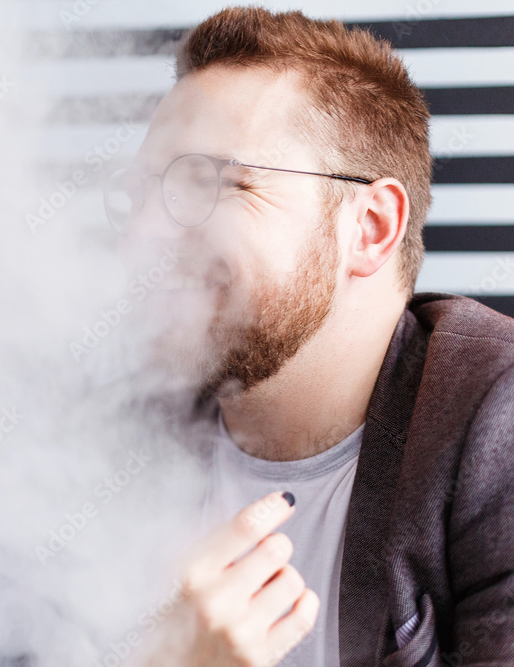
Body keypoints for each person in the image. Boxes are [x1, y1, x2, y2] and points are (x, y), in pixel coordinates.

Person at [104, 7, 514, 666]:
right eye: (137, 199)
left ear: (371, 226)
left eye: (205, 181)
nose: (140, 238)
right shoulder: (125, 433)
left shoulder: (496, 420)